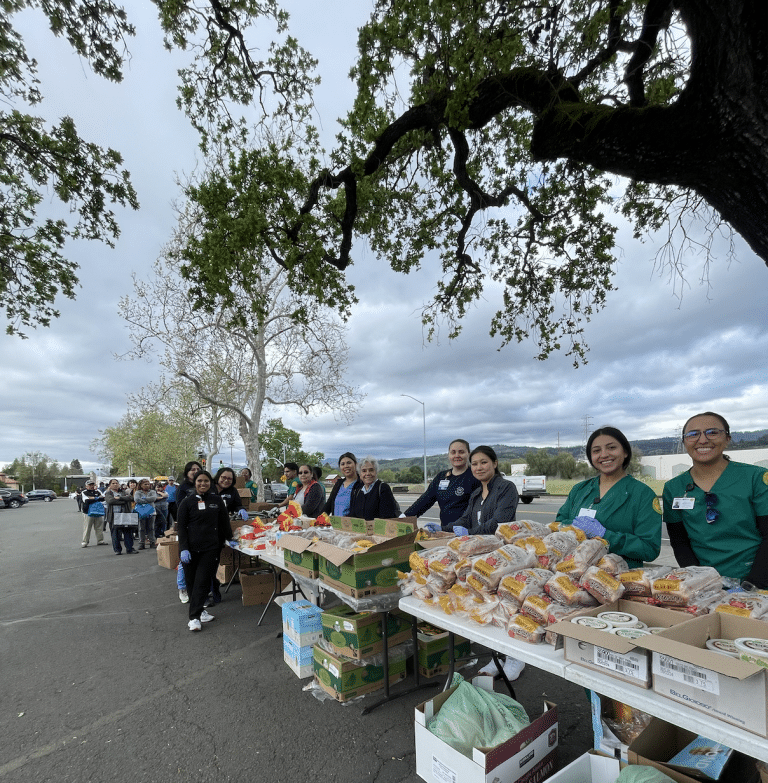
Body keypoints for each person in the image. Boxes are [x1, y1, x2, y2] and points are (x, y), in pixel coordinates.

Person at [663, 411, 768, 587]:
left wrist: (753, 584)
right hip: (704, 585)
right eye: (693, 434)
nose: (702, 440)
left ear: (727, 438)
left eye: (712, 432)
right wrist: (699, 582)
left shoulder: (756, 478)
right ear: (684, 442)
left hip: (756, 580)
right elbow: (680, 542)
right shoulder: (673, 488)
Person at [556, 426, 661, 568]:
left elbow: (649, 549)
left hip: (618, 581)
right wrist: (571, 526)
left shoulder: (643, 494)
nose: (604, 454)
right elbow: (557, 527)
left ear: (625, 452)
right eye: (596, 451)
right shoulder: (579, 490)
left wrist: (605, 535)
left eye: (611, 448)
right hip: (574, 577)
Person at [177, 470, 232, 631]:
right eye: (200, 481)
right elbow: (181, 528)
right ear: (194, 483)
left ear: (211, 483)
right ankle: (200, 611)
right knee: (191, 582)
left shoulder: (216, 500)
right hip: (191, 550)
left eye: (206, 481)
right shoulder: (186, 503)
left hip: (211, 548)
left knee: (202, 581)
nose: (203, 484)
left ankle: (193, 618)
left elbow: (224, 522)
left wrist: (230, 539)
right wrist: (184, 549)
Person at [405, 439, 480, 530]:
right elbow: (424, 501)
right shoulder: (441, 477)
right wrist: (403, 518)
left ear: (468, 454)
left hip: (467, 532)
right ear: (448, 455)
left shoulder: (475, 476)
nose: (457, 455)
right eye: (453, 452)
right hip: (445, 531)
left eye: (461, 452)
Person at [453, 446, 519, 535]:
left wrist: (469, 532)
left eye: (483, 462)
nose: (479, 468)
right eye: (474, 464)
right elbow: (465, 520)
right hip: (478, 545)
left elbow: (499, 523)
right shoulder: (476, 494)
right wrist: (442, 528)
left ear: (495, 464)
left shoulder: (506, 487)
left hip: (500, 545)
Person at [348, 456, 399, 520]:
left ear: (376, 472)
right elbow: (352, 515)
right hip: (360, 529)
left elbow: (387, 517)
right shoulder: (357, 491)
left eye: (371, 470)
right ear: (360, 474)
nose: (368, 473)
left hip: (378, 529)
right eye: (364, 471)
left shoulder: (383, 488)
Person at [104, 479, 137, 554]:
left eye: (116, 483)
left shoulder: (123, 492)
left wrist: (120, 498)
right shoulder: (108, 493)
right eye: (113, 483)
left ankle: (130, 549)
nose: (115, 484)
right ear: (110, 485)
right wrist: (124, 501)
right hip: (114, 516)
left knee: (128, 533)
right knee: (115, 534)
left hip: (125, 514)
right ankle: (117, 550)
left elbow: (131, 498)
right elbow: (110, 501)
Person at [81, 479, 107, 547]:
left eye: (92, 485)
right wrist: (97, 498)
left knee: (99, 527)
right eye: (90, 485)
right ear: (86, 486)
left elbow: (103, 498)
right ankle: (85, 542)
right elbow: (86, 500)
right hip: (87, 512)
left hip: (98, 511)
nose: (91, 486)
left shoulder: (97, 491)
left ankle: (100, 540)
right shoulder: (84, 492)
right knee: (87, 528)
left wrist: (93, 498)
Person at [134, 478, 158, 550]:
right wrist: (148, 499)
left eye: (148, 484)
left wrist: (143, 499)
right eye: (145, 484)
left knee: (151, 527)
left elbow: (154, 498)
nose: (147, 486)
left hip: (151, 511)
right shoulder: (138, 492)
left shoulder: (152, 491)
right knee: (141, 528)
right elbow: (137, 500)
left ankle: (152, 542)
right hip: (141, 511)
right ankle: (141, 543)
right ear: (141, 485)